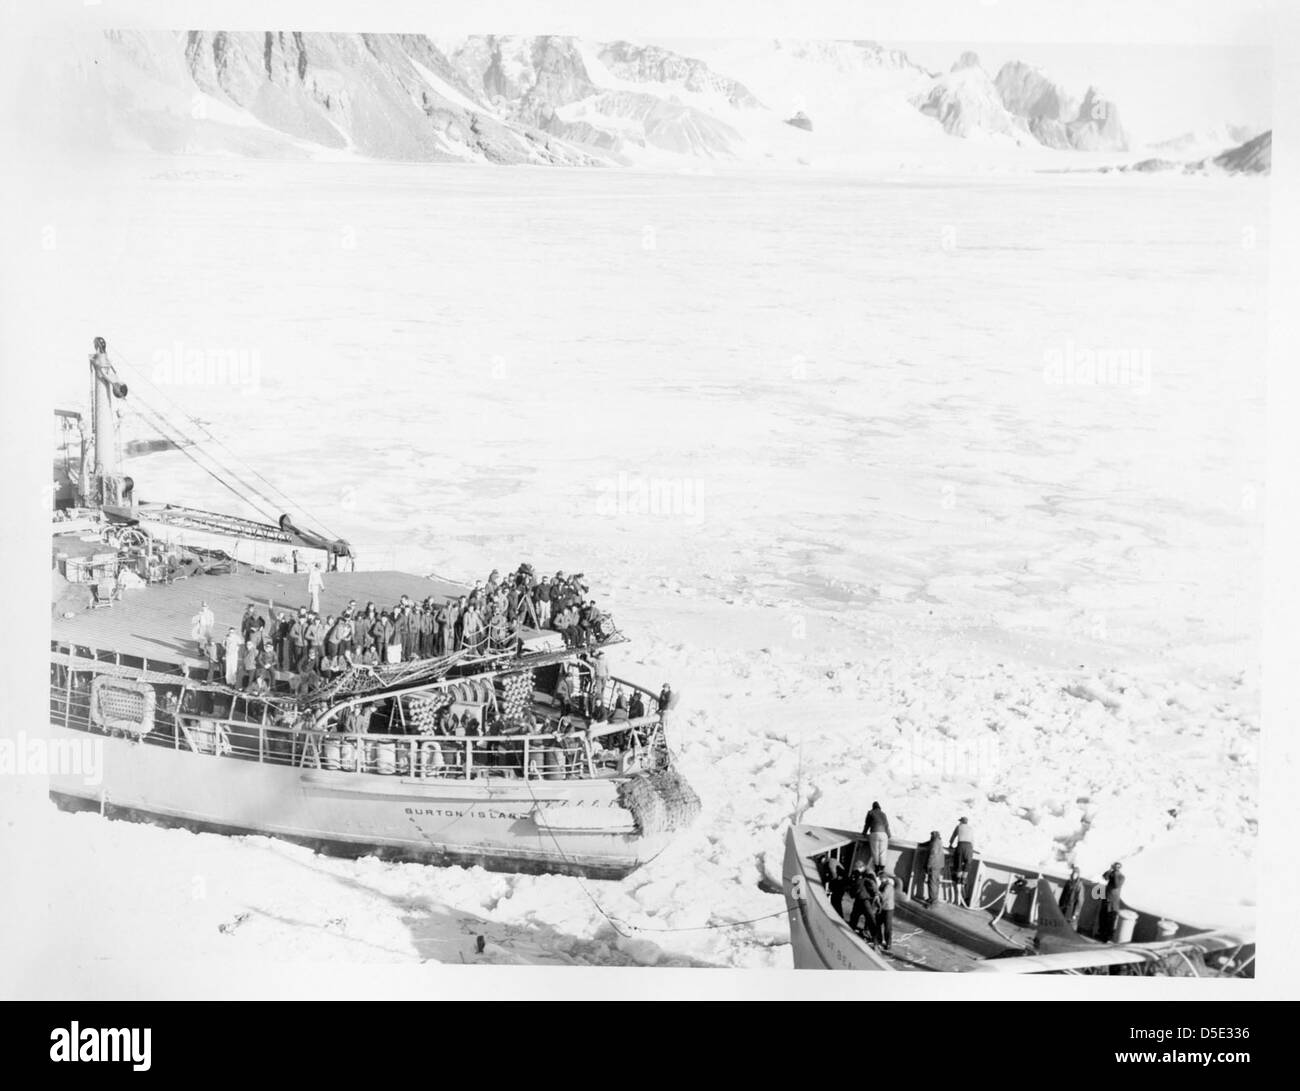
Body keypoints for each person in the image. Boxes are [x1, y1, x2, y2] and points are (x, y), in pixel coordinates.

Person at [848, 864, 880, 944]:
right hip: (864, 899)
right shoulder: (863, 876)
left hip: (864, 900)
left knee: (866, 918)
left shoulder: (866, 876)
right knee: (866, 918)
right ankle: (874, 939)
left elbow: (872, 885)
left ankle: (874, 938)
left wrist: (876, 894)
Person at [949, 816, 976, 906]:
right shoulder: (971, 828)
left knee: (958, 864)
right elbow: (972, 841)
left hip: (961, 846)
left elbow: (953, 836)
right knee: (968, 864)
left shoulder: (959, 827)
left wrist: (950, 844)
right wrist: (972, 849)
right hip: (969, 848)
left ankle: (958, 880)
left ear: (961, 822)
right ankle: (964, 879)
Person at [1100, 862, 1125, 942]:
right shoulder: (1112, 874)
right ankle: (1101, 935)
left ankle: (1107, 937)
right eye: (1115, 867)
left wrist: (1115, 874)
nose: (1116, 868)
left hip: (1113, 903)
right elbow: (1104, 877)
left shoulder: (1121, 877)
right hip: (1106, 900)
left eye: (1117, 867)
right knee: (1103, 918)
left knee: (1110, 921)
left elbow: (1116, 885)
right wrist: (1110, 870)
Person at [862, 801, 891, 868]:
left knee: (875, 852)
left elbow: (867, 824)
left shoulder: (870, 813)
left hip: (874, 834)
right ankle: (882, 868)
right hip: (884, 835)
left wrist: (864, 833)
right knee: (882, 853)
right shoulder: (883, 814)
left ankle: (877, 868)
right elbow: (886, 826)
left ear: (873, 807)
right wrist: (889, 835)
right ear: (879, 807)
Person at [924, 830, 945, 906]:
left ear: (933, 836)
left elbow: (933, 854)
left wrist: (928, 865)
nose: (930, 837)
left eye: (931, 835)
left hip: (934, 865)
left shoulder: (934, 843)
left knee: (932, 883)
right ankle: (933, 899)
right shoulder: (938, 841)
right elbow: (929, 843)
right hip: (939, 865)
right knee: (935, 882)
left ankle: (933, 902)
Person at [877, 875, 896, 951]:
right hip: (884, 907)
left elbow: (883, 896)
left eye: (881, 879)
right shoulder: (884, 885)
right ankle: (879, 939)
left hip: (888, 908)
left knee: (887, 926)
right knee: (878, 923)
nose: (880, 881)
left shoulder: (888, 887)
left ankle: (888, 943)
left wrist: (877, 893)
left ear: (884, 879)